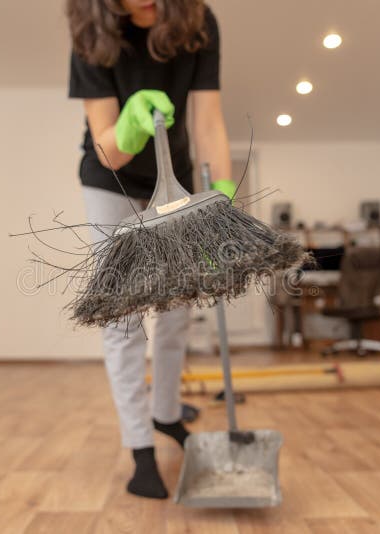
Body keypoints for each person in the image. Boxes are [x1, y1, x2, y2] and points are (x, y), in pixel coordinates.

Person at [66, 0, 235, 499]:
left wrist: (221, 193)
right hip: (110, 177)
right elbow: (105, 145)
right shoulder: (90, 32)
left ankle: (166, 416)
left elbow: (207, 123)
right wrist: (130, 127)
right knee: (123, 316)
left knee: (177, 311)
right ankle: (140, 448)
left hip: (173, 174)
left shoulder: (199, 23)